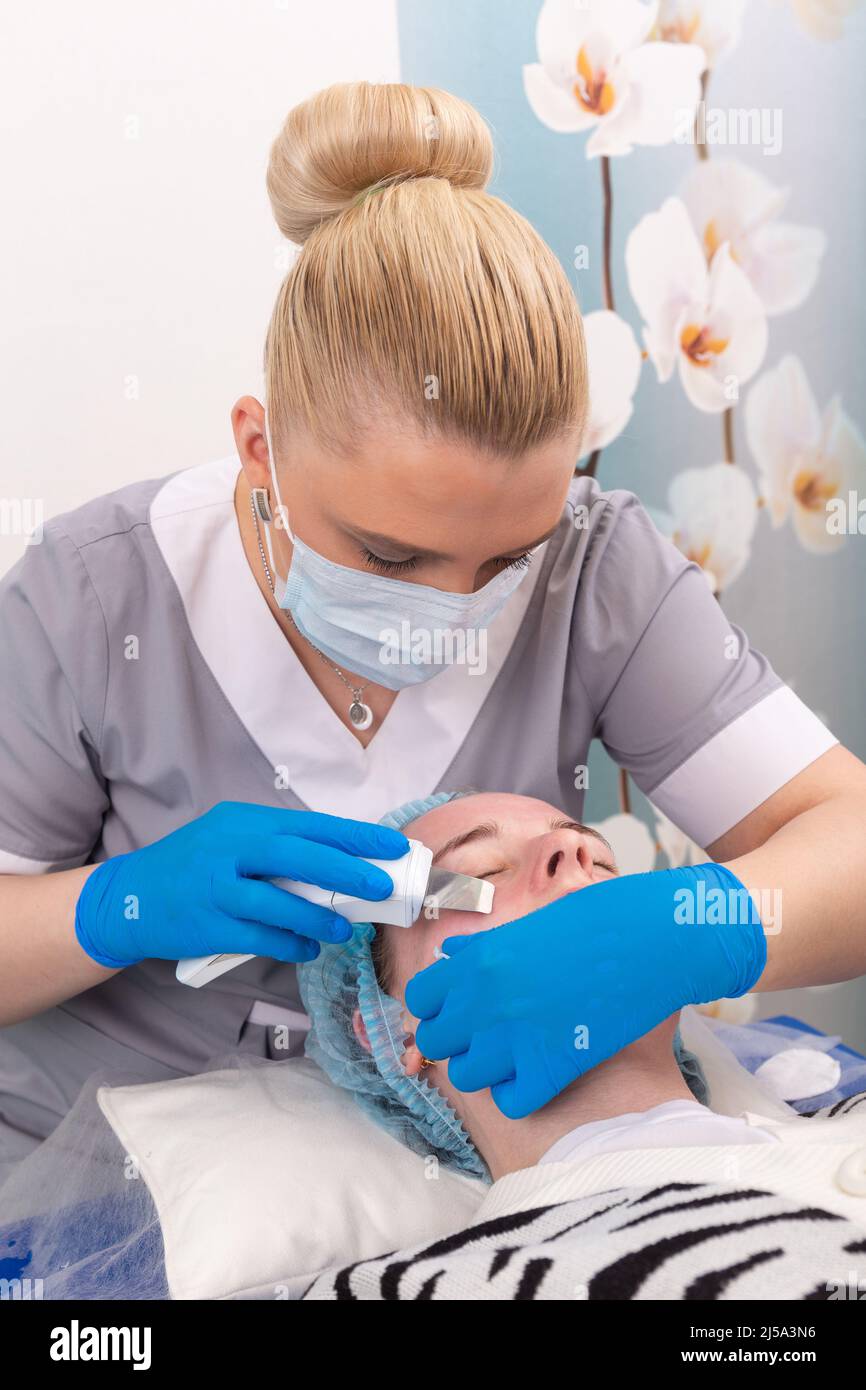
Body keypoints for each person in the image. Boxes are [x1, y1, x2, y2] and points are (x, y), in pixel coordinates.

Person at [2, 81, 864, 1176]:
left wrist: (687, 926)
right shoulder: (90, 599)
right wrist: (110, 907)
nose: (456, 612)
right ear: (259, 449)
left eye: (508, 560)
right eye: (390, 557)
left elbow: (847, 838)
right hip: (115, 1191)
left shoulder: (600, 571)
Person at [299, 791, 866, 1301]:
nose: (570, 846)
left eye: (601, 861)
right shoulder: (459, 1283)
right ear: (390, 1030)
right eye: (484, 870)